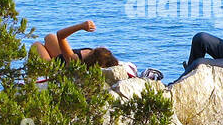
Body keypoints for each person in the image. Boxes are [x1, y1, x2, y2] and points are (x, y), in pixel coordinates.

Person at [32, 20, 163, 81]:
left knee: (36, 45)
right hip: (63, 56)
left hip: (53, 65)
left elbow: (61, 35)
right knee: (49, 37)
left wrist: (81, 26)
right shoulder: (86, 57)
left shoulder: (75, 61)